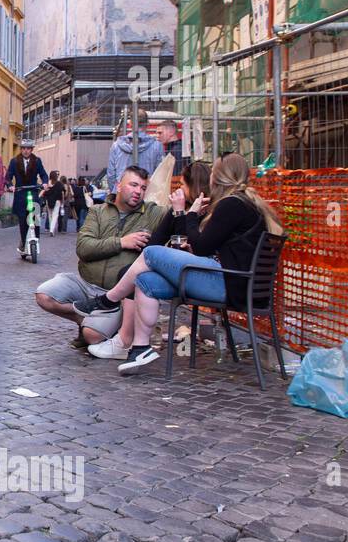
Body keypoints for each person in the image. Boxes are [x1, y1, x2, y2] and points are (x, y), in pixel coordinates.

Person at [75, 153, 281, 375]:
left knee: (152, 253)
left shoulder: (232, 204)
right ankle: (141, 347)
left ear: (219, 176)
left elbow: (201, 247)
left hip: (229, 285)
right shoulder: (243, 204)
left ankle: (108, 300)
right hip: (235, 283)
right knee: (145, 280)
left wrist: (188, 214)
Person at [34, 165, 165, 358]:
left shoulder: (153, 214)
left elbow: (176, 218)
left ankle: (96, 324)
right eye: (133, 185)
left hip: (115, 296)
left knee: (91, 336)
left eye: (143, 188)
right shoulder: (98, 211)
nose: (138, 191)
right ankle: (87, 317)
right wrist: (121, 242)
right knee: (44, 295)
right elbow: (84, 248)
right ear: (119, 185)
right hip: (85, 284)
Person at [5, 140, 47, 254]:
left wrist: (44, 183)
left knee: (36, 218)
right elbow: (8, 177)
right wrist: (10, 186)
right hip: (20, 192)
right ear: (21, 149)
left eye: (28, 148)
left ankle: (36, 240)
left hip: (33, 191)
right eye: (23, 148)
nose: (26, 151)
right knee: (23, 220)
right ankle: (23, 242)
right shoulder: (14, 161)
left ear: (31, 149)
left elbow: (43, 174)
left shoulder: (37, 161)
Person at [108, 123, 164, 187]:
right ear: (147, 125)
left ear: (131, 124)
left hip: (122, 189)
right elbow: (161, 172)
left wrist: (115, 191)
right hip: (147, 190)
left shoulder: (116, 145)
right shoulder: (157, 145)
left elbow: (111, 174)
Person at [42, 170, 64, 235]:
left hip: (49, 200)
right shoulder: (59, 183)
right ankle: (51, 230)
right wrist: (62, 201)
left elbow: (45, 192)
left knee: (50, 215)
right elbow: (62, 192)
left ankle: (51, 230)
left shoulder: (48, 183)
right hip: (57, 201)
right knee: (55, 215)